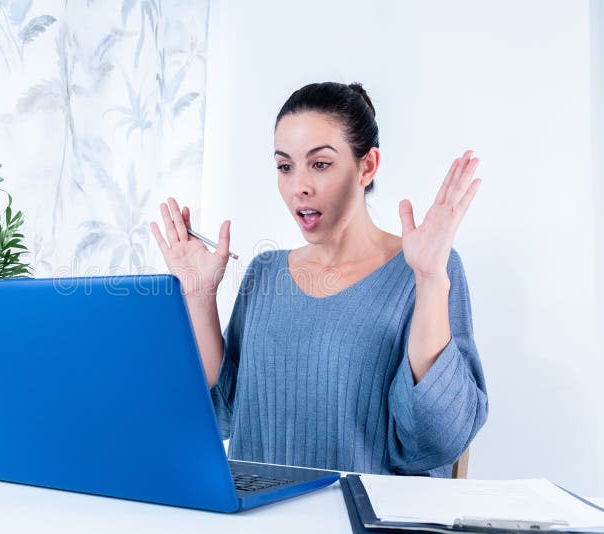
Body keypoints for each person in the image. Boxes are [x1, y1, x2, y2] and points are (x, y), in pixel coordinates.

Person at [149, 81, 488, 477]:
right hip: (259, 516)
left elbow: (439, 439)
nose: (299, 187)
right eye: (285, 166)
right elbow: (221, 413)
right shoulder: (264, 273)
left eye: (320, 164)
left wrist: (430, 279)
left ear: (367, 166)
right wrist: (199, 296)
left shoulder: (425, 268)